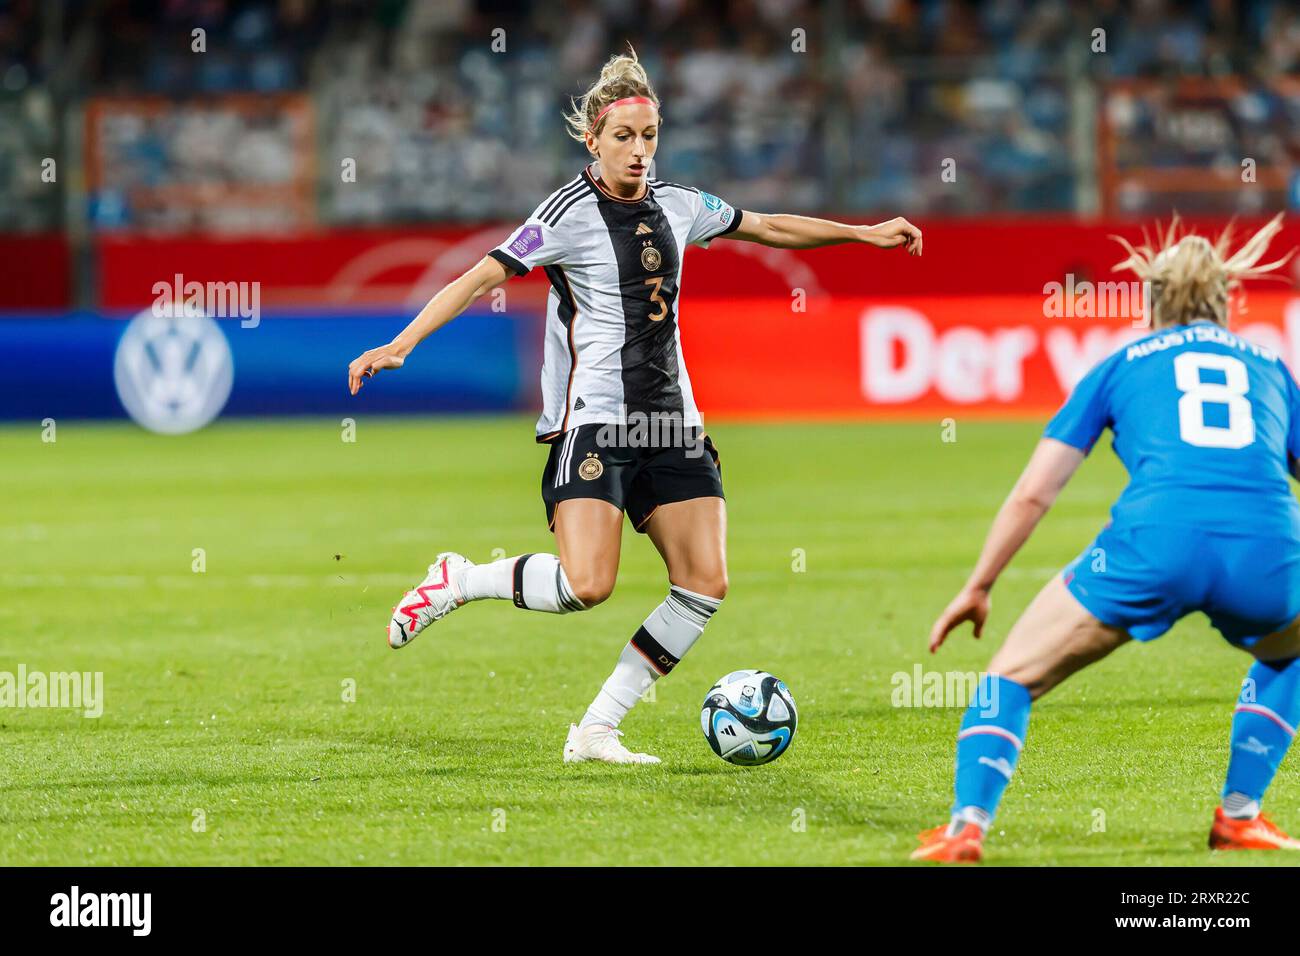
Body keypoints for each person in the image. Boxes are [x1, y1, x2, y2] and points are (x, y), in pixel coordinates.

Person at [347, 47, 922, 765]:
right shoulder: (563, 213)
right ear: (593, 139)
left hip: (674, 422)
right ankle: (460, 579)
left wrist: (862, 233)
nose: (639, 150)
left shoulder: (680, 206)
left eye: (649, 136)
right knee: (587, 585)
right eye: (624, 137)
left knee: (704, 584)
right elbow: (475, 277)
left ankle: (595, 729)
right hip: (598, 421)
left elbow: (768, 226)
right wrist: (401, 343)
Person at [917, 215, 1298, 861]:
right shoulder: (1271, 366)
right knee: (1291, 653)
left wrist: (978, 586)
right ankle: (1239, 815)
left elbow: (1036, 491)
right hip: (1268, 548)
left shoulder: (1120, 363)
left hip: (1154, 544)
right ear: (1226, 299)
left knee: (1010, 677)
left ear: (1151, 301)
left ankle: (966, 828)